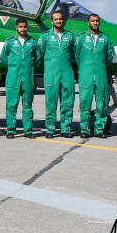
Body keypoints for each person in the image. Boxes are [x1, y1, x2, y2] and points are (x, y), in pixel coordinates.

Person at [75, 14, 115, 138]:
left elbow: (109, 55)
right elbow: (76, 56)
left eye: (97, 21)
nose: (95, 23)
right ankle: (85, 130)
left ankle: (99, 129)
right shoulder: (81, 38)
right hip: (85, 73)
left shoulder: (105, 38)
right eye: (93, 21)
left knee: (102, 102)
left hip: (100, 72)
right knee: (85, 102)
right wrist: (83, 68)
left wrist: (101, 65)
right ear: (88, 23)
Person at [36, 10, 75, 138]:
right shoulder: (45, 36)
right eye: (56, 19)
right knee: (51, 101)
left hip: (66, 72)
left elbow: (74, 55)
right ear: (52, 21)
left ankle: (66, 129)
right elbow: (39, 55)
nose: (59, 21)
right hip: (51, 72)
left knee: (68, 101)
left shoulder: (69, 36)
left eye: (60, 19)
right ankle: (50, 129)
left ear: (63, 20)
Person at [0, 18, 37, 138]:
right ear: (16, 28)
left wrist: (29, 68)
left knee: (27, 104)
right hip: (13, 77)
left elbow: (38, 58)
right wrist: (12, 68)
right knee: (11, 104)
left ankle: (28, 131)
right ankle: (11, 130)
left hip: (28, 77)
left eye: (25, 27)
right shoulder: (10, 42)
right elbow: (3, 57)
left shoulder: (32, 42)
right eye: (21, 27)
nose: (23, 29)